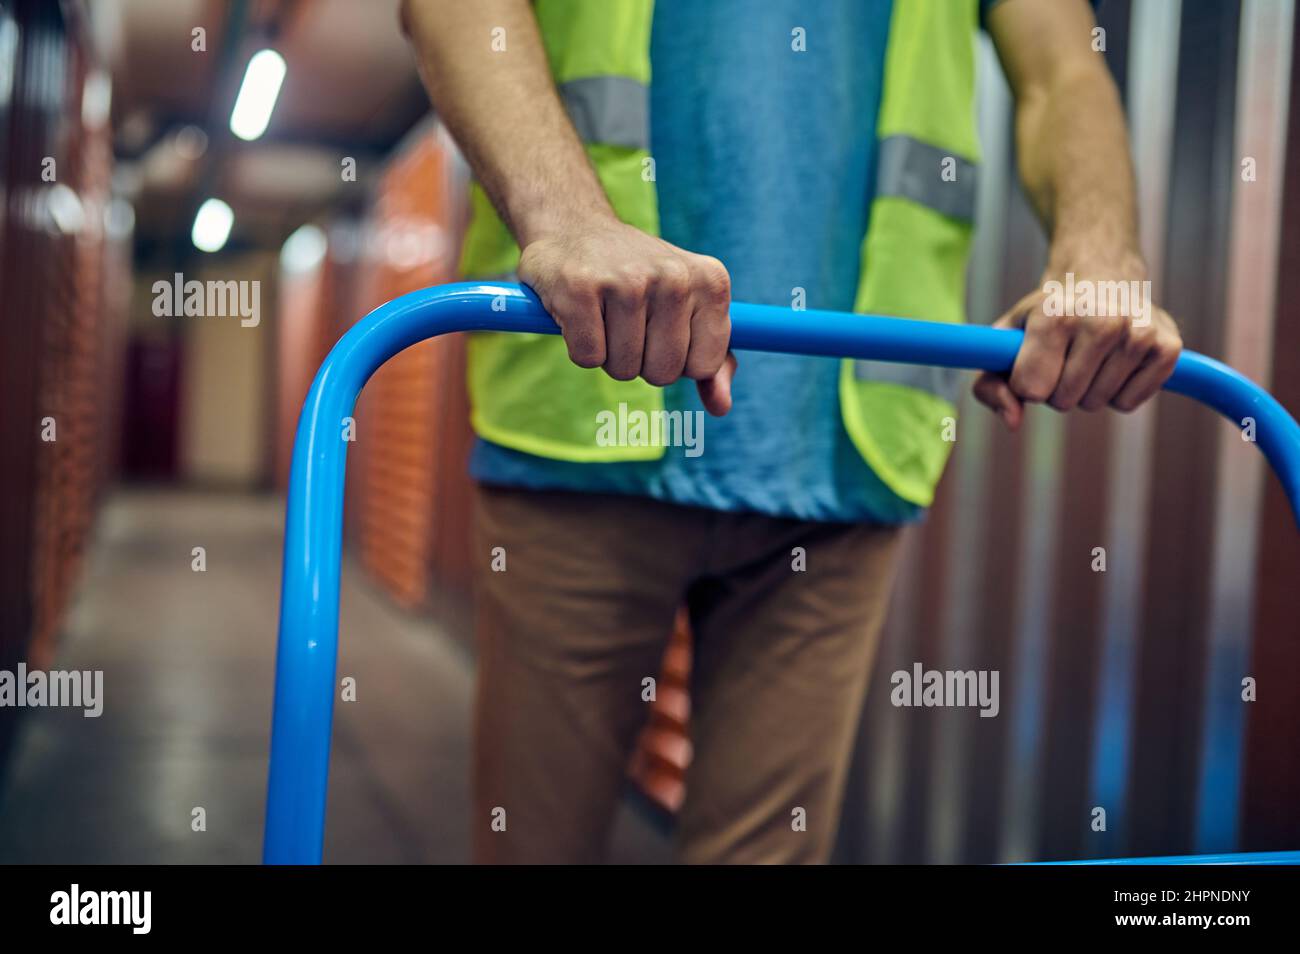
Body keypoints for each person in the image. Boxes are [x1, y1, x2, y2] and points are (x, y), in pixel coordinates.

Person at [400, 0, 1182, 863]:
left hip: (847, 443)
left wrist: (1103, 259)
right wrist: (567, 219)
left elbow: (1063, 67)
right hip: (588, 397)